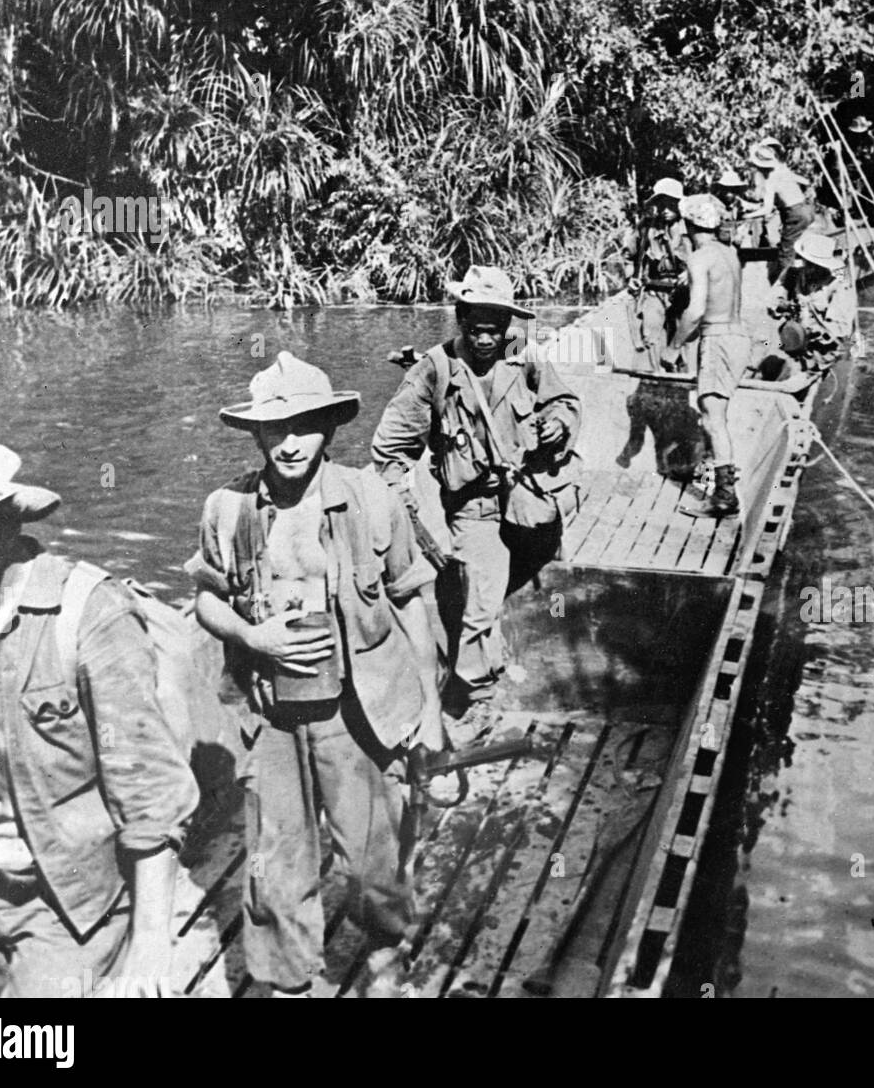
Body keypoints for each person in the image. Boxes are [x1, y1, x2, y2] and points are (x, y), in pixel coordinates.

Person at [187, 351, 443, 997]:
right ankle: (289, 980)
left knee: (369, 857)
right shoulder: (228, 508)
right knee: (276, 862)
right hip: (272, 711)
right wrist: (251, 635)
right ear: (256, 434)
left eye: (305, 426)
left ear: (329, 428)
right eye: (276, 429)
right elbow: (206, 597)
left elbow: (413, 597)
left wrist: (431, 715)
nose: (290, 443)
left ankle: (386, 950)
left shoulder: (372, 498)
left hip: (355, 707)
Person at [0, 433, 198, 999]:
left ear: (1, 529)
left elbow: (150, 792)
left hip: (66, 886)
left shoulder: (87, 614)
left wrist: (149, 946)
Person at [371, 266, 581, 727]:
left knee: (544, 544)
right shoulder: (434, 370)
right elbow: (389, 451)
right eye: (475, 327)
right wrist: (408, 512)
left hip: (526, 490)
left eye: (496, 328)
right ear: (460, 318)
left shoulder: (523, 356)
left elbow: (565, 403)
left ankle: (494, 620)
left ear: (509, 325)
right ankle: (473, 691)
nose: (486, 339)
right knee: (479, 597)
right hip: (474, 505)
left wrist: (557, 426)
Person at [660, 195, 752, 519]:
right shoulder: (729, 253)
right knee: (713, 414)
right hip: (739, 337)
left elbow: (696, 311)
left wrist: (673, 346)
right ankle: (713, 477)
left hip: (718, 339)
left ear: (688, 225)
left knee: (713, 420)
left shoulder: (699, 258)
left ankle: (725, 496)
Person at [622, 177, 691, 370]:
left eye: (671, 203)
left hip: (685, 291)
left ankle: (684, 376)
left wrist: (692, 273)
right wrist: (630, 279)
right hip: (655, 289)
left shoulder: (691, 228)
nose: (666, 208)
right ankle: (654, 376)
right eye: (662, 203)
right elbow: (628, 255)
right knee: (650, 335)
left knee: (685, 337)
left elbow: (706, 255)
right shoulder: (646, 228)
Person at [773, 231, 858, 379]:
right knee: (769, 356)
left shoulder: (839, 286)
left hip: (823, 348)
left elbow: (840, 329)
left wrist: (812, 330)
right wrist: (782, 304)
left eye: (815, 265)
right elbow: (772, 300)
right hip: (793, 339)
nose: (809, 267)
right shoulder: (793, 274)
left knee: (794, 371)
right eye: (807, 262)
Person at [747, 138, 815, 281]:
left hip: (795, 214)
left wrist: (748, 216)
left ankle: (782, 285)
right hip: (806, 209)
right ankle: (795, 277)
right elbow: (806, 181)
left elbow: (767, 209)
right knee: (795, 245)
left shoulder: (771, 180)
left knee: (786, 252)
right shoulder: (783, 170)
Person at [713, 167, 756, 247]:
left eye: (732, 190)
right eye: (726, 189)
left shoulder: (739, 203)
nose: (729, 193)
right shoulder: (715, 203)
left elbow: (751, 209)